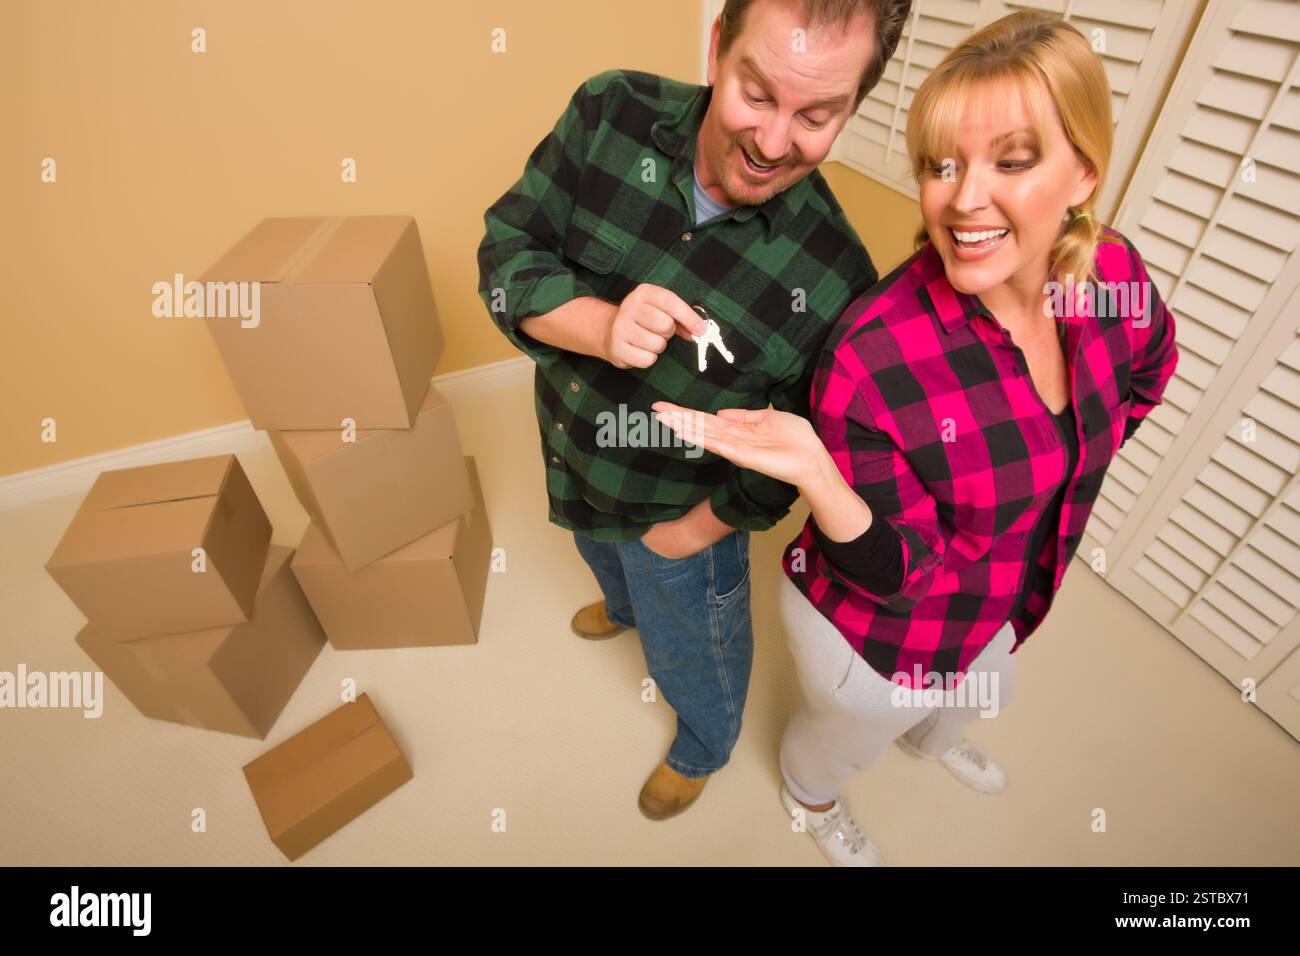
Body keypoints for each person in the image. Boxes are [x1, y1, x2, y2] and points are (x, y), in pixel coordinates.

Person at [654, 10, 1179, 860]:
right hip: (876, 639)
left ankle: (933, 736)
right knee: (846, 739)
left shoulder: (1105, 275)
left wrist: (1055, 472)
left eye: (1012, 161)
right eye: (943, 165)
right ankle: (812, 801)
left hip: (1005, 600)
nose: (963, 199)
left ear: (1083, 171)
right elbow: (896, 570)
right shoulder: (876, 356)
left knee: (975, 691)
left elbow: (1152, 363)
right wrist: (822, 481)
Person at [476, 0, 913, 819]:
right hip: (572, 459)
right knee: (600, 557)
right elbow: (507, 254)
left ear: (851, 110)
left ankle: (704, 743)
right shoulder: (610, 111)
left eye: (817, 116)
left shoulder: (839, 281)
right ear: (718, 48)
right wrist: (602, 327)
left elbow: (792, 453)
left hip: (680, 515)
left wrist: (691, 534)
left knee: (694, 648)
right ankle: (622, 606)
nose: (775, 143)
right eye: (757, 94)